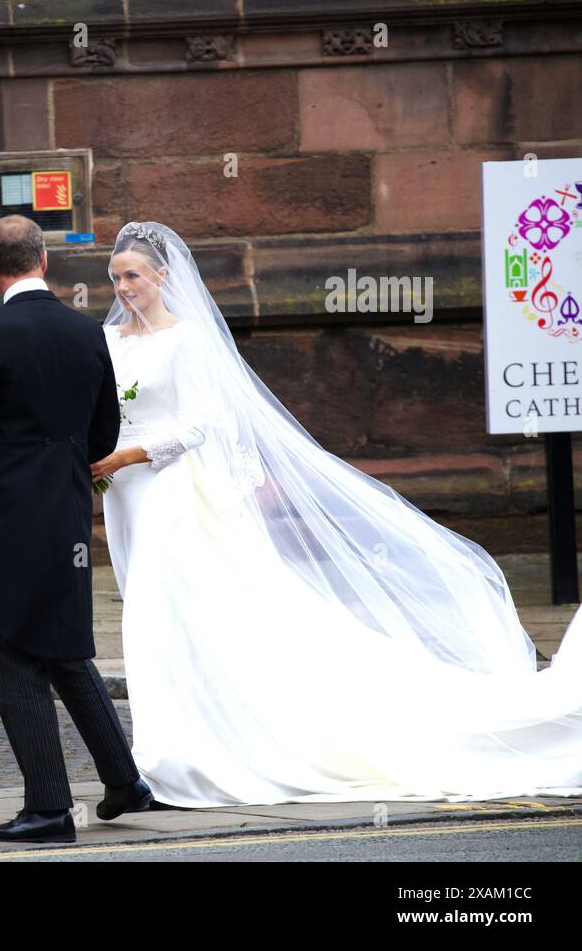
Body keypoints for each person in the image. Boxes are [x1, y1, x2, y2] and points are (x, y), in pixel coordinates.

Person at [95, 220, 582, 807]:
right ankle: (174, 744)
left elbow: (200, 425)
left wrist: (132, 453)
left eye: (133, 276)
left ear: (161, 276)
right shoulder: (111, 339)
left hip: (170, 491)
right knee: (154, 614)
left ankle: (175, 755)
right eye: (115, 277)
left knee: (167, 614)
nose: (123, 287)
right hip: (125, 493)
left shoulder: (186, 340)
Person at [0, 215, 155, 844]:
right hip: (66, 507)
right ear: (44, 260)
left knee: (15, 654)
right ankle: (125, 782)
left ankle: (49, 810)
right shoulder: (85, 330)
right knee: (62, 645)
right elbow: (105, 431)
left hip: (10, 513)